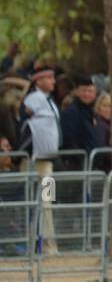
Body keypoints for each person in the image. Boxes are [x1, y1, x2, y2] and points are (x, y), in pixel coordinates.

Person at [20, 68, 61, 252]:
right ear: (39, 81)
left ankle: (48, 244)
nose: (53, 82)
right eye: (49, 78)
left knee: (47, 201)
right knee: (30, 201)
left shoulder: (49, 101)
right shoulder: (34, 99)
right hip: (34, 159)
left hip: (48, 161)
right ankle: (31, 244)